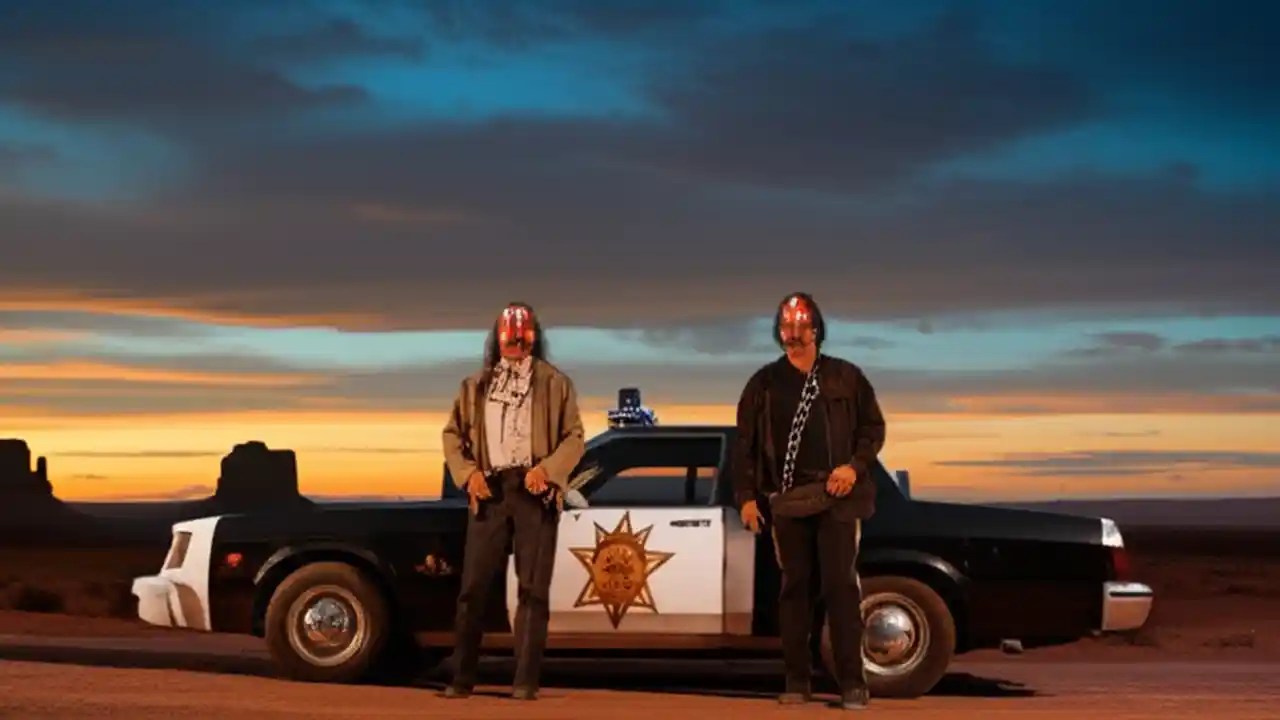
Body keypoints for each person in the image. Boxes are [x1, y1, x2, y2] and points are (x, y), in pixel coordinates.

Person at [731, 292, 886, 711]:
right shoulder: (763, 384)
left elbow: (873, 428)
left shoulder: (845, 377)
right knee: (794, 591)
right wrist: (747, 498)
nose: (794, 336)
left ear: (817, 330)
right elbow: (744, 446)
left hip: (838, 497)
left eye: (802, 328)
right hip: (788, 501)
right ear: (778, 333)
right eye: (787, 328)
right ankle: (797, 681)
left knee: (840, 588)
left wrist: (853, 467)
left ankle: (852, 684)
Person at [440, 301, 585, 700]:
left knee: (533, 591)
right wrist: (468, 475)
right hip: (489, 490)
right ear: (498, 339)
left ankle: (524, 682)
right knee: (472, 588)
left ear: (534, 339)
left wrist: (549, 471)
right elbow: (452, 435)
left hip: (534, 491)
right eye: (509, 336)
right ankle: (462, 679)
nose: (516, 342)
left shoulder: (555, 383)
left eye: (523, 336)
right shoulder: (475, 386)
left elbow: (574, 436)